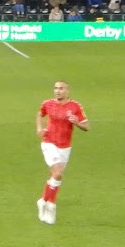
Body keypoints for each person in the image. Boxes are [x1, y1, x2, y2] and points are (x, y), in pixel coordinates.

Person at [35, 80, 88, 224]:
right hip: (49, 143)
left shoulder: (75, 106)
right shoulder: (48, 103)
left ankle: (43, 201)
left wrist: (77, 122)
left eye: (61, 88)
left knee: (54, 176)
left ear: (67, 91)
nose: (57, 91)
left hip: (65, 147)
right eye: (56, 88)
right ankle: (51, 205)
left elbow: (87, 126)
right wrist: (39, 129)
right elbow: (40, 114)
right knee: (58, 173)